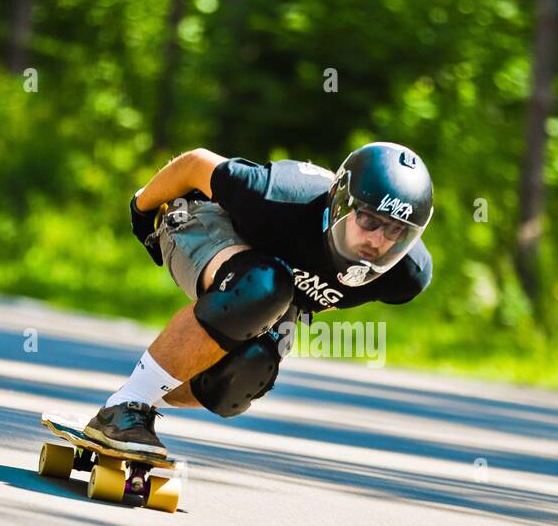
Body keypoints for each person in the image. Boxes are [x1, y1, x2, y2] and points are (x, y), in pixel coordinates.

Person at [86, 142, 434, 456]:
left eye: (395, 231)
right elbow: (195, 163)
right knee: (260, 289)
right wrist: (142, 208)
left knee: (242, 376)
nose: (377, 240)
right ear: (342, 204)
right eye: (369, 219)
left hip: (275, 273)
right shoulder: (272, 194)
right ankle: (127, 405)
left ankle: (135, 399)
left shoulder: (406, 276)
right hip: (203, 219)